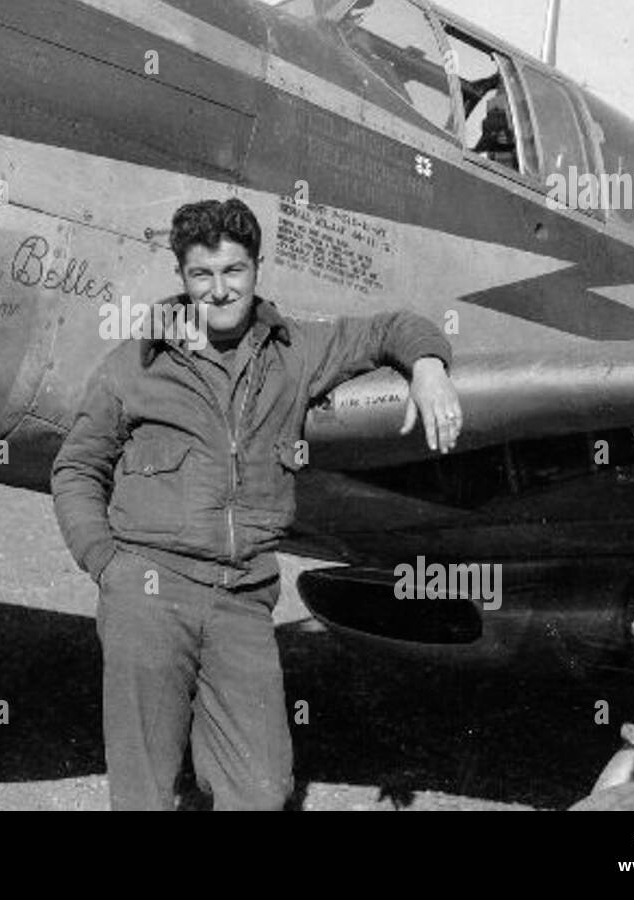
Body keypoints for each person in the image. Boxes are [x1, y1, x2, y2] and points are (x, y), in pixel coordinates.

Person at [50, 198, 461, 810]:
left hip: (243, 597)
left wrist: (429, 366)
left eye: (234, 271)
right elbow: (77, 467)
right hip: (149, 593)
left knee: (264, 791)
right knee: (144, 793)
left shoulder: (293, 352)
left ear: (257, 268)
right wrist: (106, 564)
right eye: (202, 275)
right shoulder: (133, 365)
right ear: (183, 279)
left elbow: (390, 328)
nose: (219, 290)